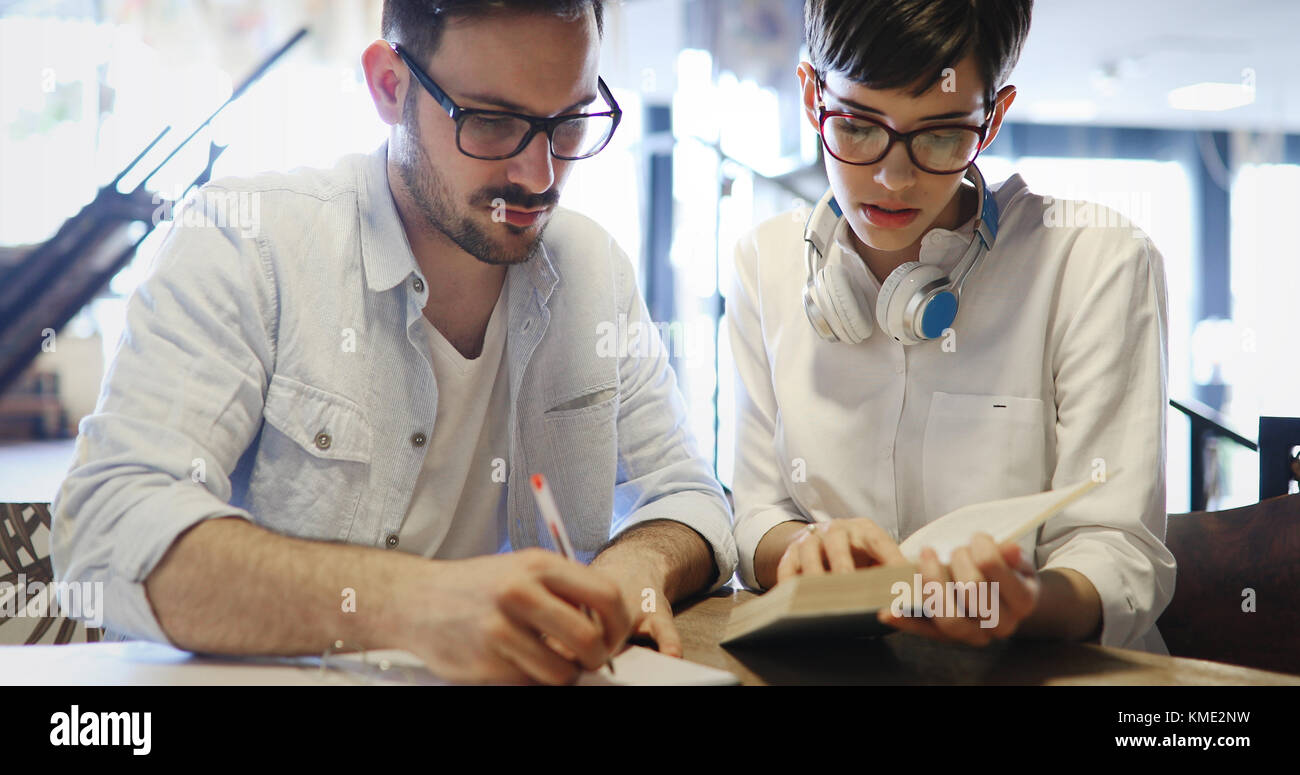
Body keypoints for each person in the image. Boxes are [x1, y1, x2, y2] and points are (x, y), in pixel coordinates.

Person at [52, 0, 737, 685]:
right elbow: (108, 529)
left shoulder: (593, 270)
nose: (541, 176)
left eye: (569, 121)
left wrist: (637, 565)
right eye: (492, 122)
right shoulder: (246, 244)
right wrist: (414, 603)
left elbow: (691, 496)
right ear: (389, 86)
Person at [726, 0, 1175, 651]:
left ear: (992, 118)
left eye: (939, 136)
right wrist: (800, 547)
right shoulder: (762, 264)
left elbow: (1122, 552)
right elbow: (755, 515)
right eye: (855, 126)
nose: (892, 176)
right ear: (809, 95)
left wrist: (1023, 604)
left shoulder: (1096, 261)